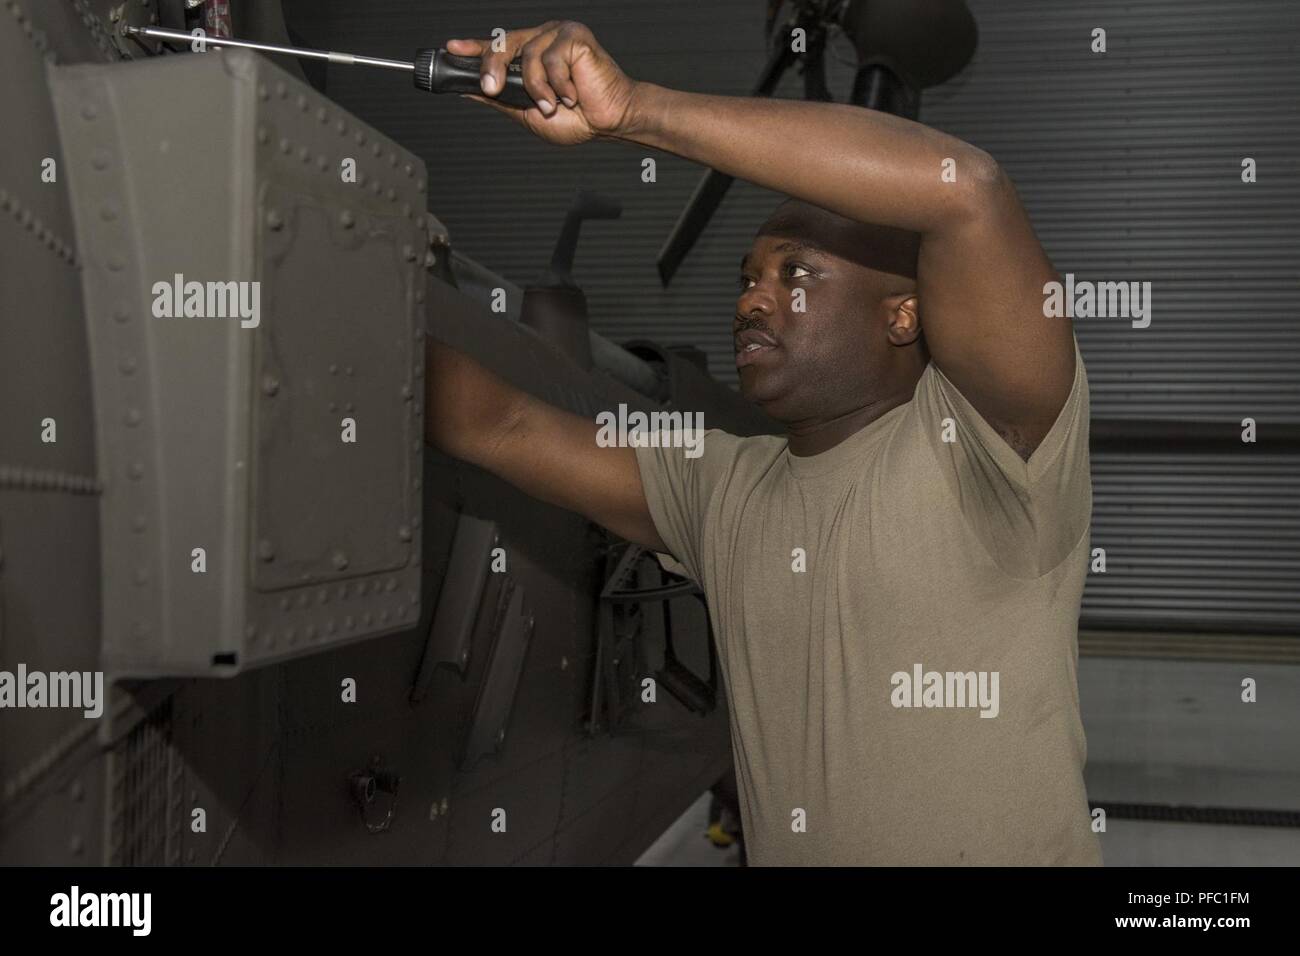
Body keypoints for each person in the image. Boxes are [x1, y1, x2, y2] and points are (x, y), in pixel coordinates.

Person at [425, 20, 1100, 866]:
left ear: (903, 315)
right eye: (747, 277)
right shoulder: (721, 488)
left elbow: (966, 189)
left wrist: (636, 110)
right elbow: (499, 423)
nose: (752, 299)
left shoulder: (986, 450)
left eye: (796, 275)